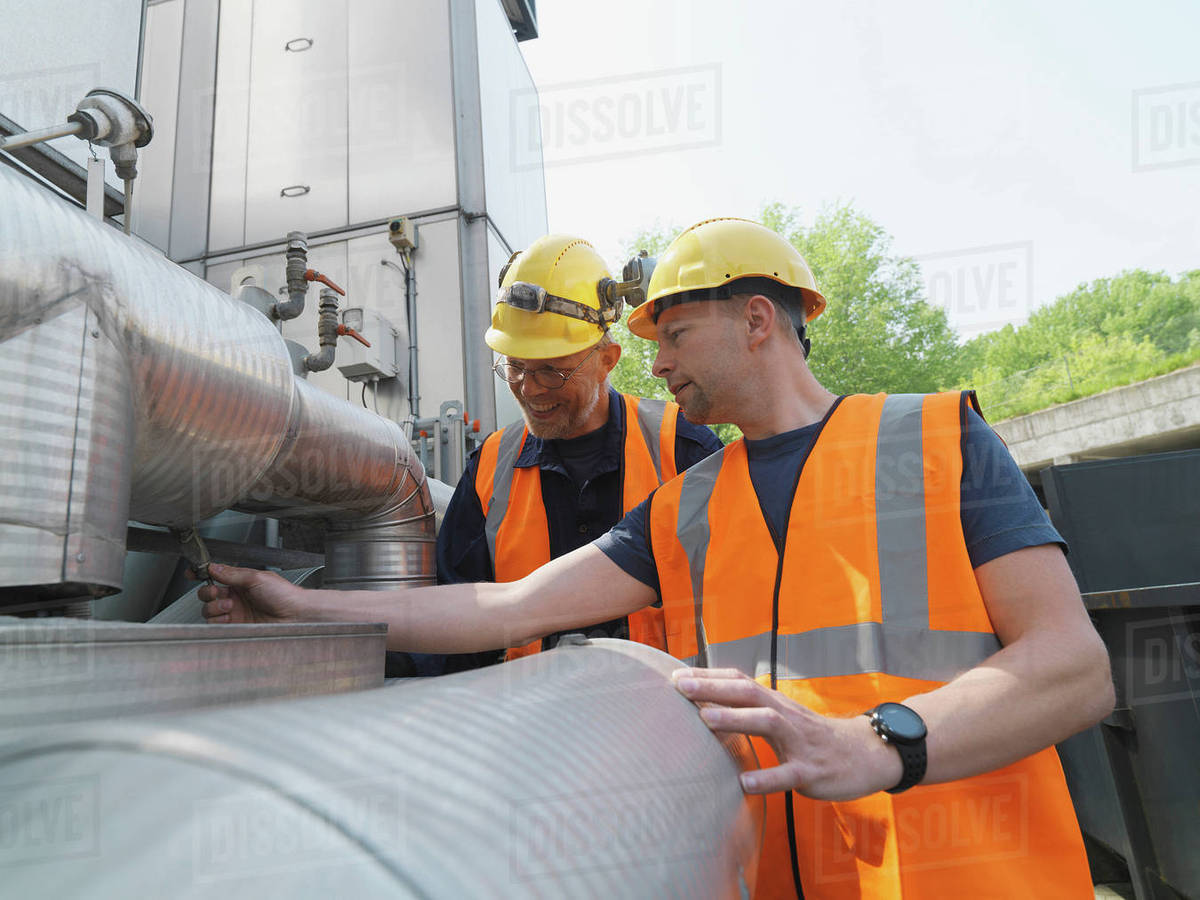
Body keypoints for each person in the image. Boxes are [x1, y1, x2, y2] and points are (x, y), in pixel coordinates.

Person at [202, 218, 1114, 899]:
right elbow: (504, 608)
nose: (658, 367)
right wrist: (297, 602)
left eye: (673, 337)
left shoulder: (939, 439)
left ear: (758, 319)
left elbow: (1073, 670)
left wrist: (875, 743)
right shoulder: (687, 506)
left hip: (969, 875)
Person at [395, 233, 721, 677]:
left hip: (671, 724)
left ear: (607, 359)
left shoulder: (683, 450)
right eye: (515, 366)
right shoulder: (490, 469)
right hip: (532, 733)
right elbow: (451, 645)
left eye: (552, 370)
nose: (529, 389)